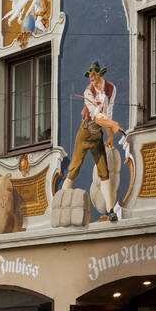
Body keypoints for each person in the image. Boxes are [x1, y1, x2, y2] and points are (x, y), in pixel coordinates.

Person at [62, 61, 123, 222]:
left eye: (94, 75)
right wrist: (113, 125)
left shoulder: (111, 88)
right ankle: (61, 204)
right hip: (85, 132)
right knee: (74, 168)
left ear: (99, 74)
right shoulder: (88, 92)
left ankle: (110, 210)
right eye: (90, 76)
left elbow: (108, 112)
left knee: (104, 171)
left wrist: (110, 135)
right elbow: (97, 117)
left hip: (97, 135)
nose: (91, 79)